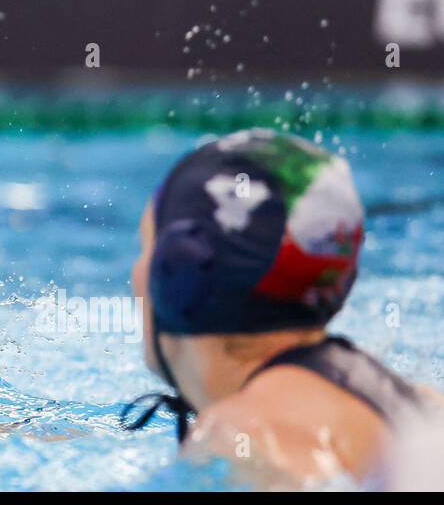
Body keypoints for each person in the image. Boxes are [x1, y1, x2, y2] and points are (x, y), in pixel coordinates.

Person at [124, 128, 443, 485]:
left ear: (181, 275)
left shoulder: (244, 434)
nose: (134, 274)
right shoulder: (418, 404)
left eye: (143, 247)